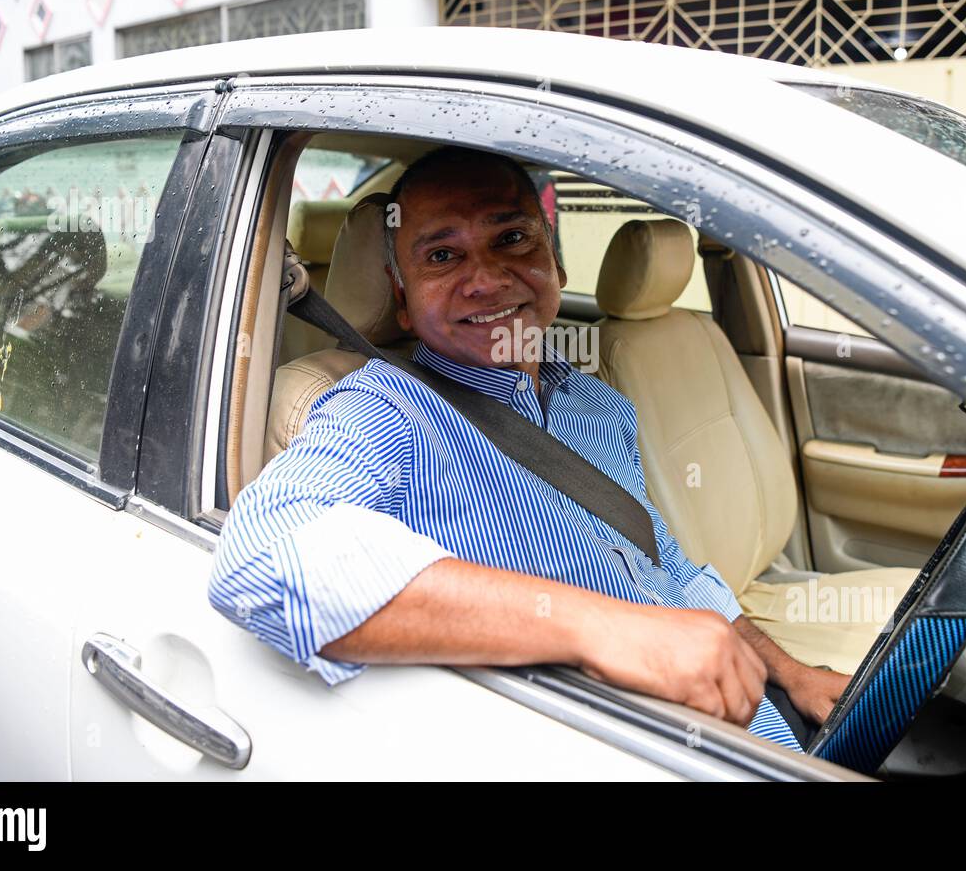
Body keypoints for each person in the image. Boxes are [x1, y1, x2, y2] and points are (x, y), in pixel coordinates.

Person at [209, 146, 850, 751]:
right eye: (440, 257)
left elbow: (672, 575)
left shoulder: (597, 404)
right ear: (400, 299)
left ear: (555, 262)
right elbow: (265, 558)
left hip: (757, 725)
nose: (486, 280)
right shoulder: (382, 409)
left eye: (512, 239)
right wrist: (602, 628)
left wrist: (790, 674)